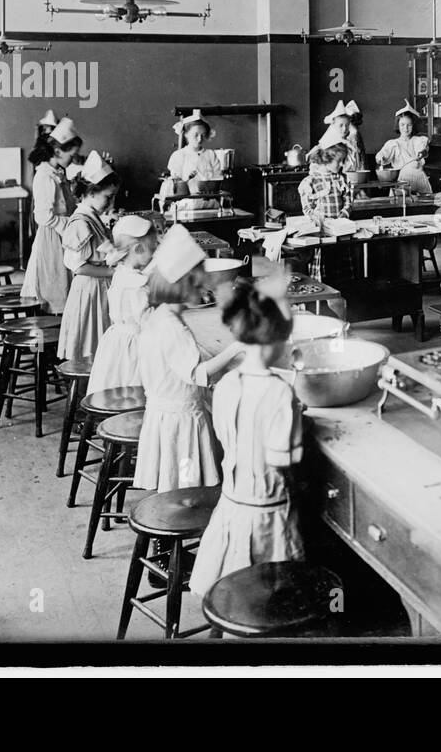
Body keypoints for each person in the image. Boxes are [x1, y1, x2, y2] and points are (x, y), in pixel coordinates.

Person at [188, 273, 306, 599]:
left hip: (232, 505)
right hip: (269, 514)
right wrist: (296, 413)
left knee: (236, 591)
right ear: (275, 342)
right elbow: (285, 461)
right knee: (270, 597)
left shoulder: (226, 384)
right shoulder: (281, 392)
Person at [134, 225, 247, 493]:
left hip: (166, 415)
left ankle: (177, 513)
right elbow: (199, 374)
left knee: (178, 480)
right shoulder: (172, 327)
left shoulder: (160, 316)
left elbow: (179, 362)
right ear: (182, 287)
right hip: (181, 422)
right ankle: (181, 520)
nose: (204, 291)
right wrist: (236, 348)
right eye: (198, 284)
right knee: (186, 484)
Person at [58, 151, 118, 361]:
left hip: (99, 287)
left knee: (100, 349)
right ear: (91, 192)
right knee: (91, 350)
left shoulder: (92, 217)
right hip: (90, 290)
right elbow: (79, 267)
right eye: (107, 198)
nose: (111, 204)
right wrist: (113, 271)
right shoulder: (80, 223)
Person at [86, 214, 157, 393]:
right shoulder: (137, 283)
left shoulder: (121, 273)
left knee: (117, 387)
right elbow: (147, 321)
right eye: (153, 249)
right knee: (136, 391)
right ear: (139, 248)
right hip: (135, 345)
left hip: (116, 341)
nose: (154, 254)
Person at [21, 117, 80, 313]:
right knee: (55, 288)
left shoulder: (57, 173)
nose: (73, 159)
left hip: (62, 236)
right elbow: (44, 217)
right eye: (71, 155)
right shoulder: (45, 176)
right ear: (57, 151)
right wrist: (72, 224)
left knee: (65, 286)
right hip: (53, 239)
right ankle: (53, 333)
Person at [167, 109, 222, 212]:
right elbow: (176, 184)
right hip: (185, 204)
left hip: (210, 204)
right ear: (186, 135)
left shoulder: (210, 154)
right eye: (196, 135)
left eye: (203, 135)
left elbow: (217, 178)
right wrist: (187, 179)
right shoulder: (178, 155)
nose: (200, 139)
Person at [375, 102, 432, 194]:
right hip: (402, 181)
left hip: (420, 180)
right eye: (402, 125)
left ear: (413, 126)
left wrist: (422, 153)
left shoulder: (418, 141)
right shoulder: (393, 144)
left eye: (409, 125)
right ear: (398, 125)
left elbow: (424, 150)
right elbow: (382, 156)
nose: (406, 128)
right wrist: (380, 158)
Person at [298, 142, 353, 222]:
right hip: (320, 226)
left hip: (340, 226)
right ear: (326, 159)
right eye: (339, 161)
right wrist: (317, 220)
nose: (342, 164)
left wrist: (345, 213)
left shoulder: (342, 179)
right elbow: (307, 208)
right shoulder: (310, 182)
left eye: (343, 160)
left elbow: (348, 200)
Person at [318, 99, 364, 173]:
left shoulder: (349, 141)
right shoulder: (329, 143)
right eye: (341, 125)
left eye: (347, 125)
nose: (344, 129)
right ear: (333, 124)